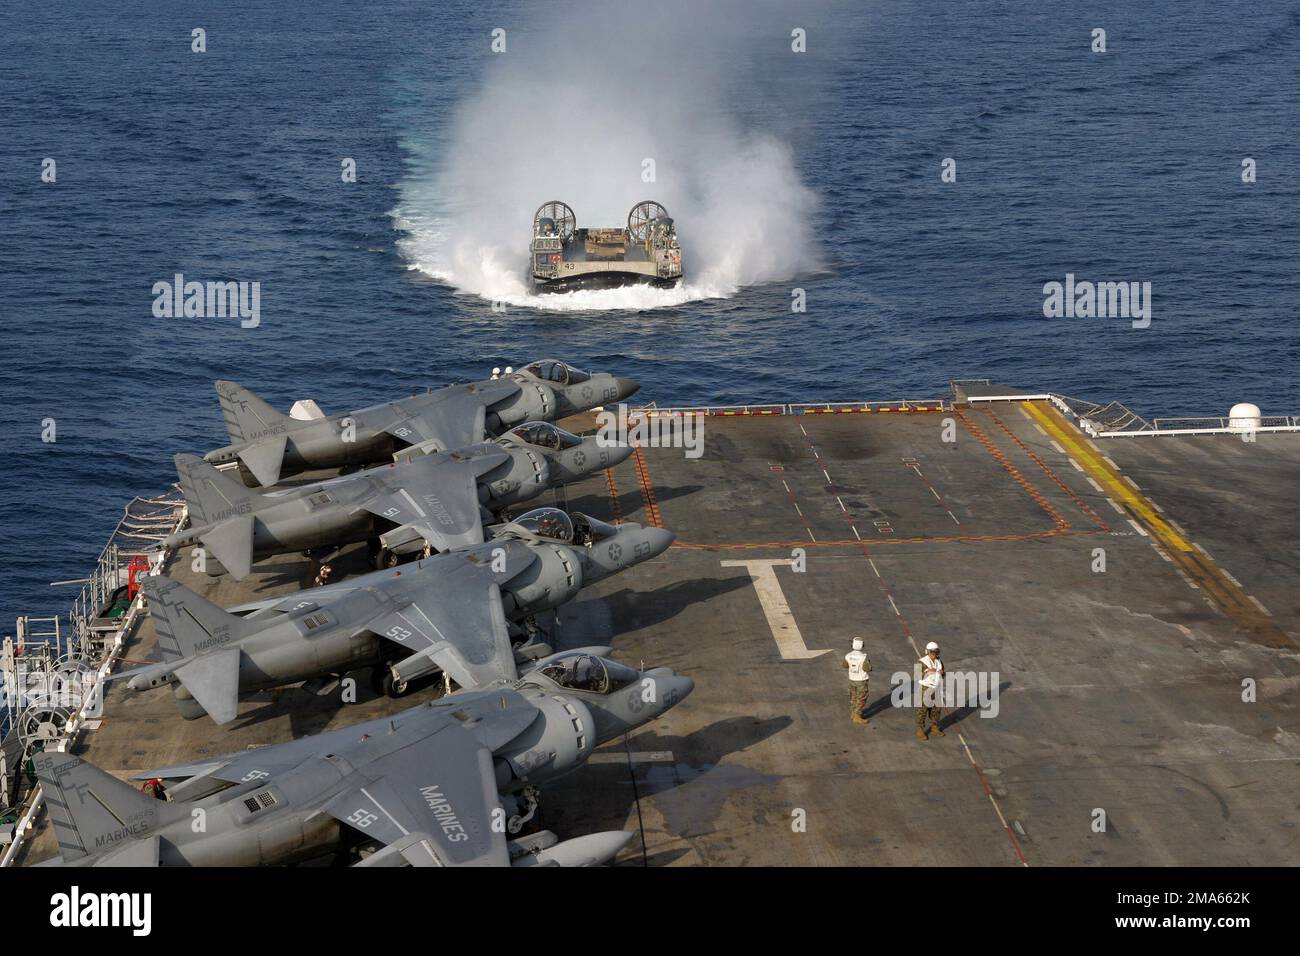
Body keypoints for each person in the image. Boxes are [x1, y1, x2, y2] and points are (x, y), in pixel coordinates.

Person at [916, 641, 945, 740]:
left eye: (936, 653)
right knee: (922, 710)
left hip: (936, 688)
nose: (934, 655)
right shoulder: (921, 662)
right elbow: (916, 675)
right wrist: (927, 671)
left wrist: (942, 673)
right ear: (927, 652)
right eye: (932, 653)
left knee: (936, 709)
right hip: (925, 688)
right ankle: (920, 730)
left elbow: (943, 674)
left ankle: (934, 727)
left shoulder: (939, 662)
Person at [842, 638, 871, 725]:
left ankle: (853, 713)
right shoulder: (863, 657)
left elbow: (844, 665)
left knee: (853, 697)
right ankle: (857, 716)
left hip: (852, 679)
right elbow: (867, 668)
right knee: (861, 698)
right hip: (861, 680)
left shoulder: (847, 655)